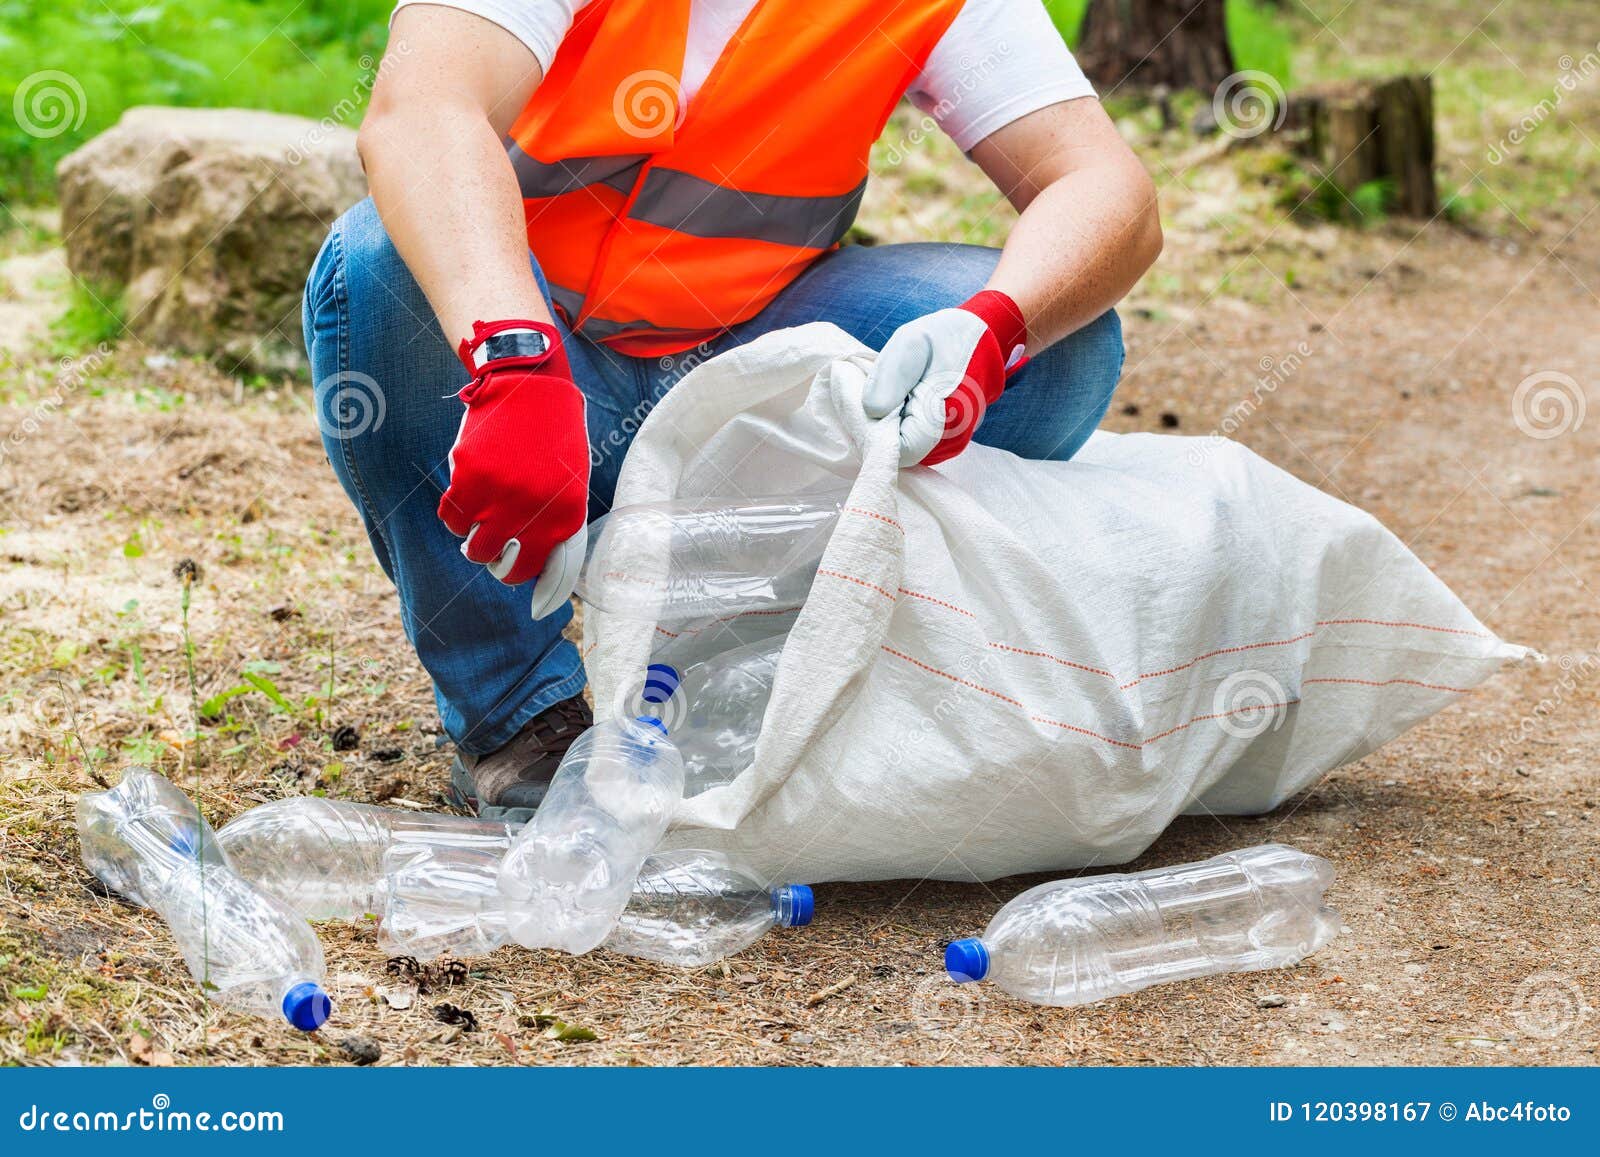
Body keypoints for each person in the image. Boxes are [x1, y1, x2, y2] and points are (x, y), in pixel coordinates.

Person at [302, 0, 1162, 819]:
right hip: (533, 370)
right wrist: (514, 360)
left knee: (1060, 351)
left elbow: (1103, 186)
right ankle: (519, 716)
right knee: (375, 267)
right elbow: (422, 111)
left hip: (739, 372)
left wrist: (996, 326)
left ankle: (759, 654)